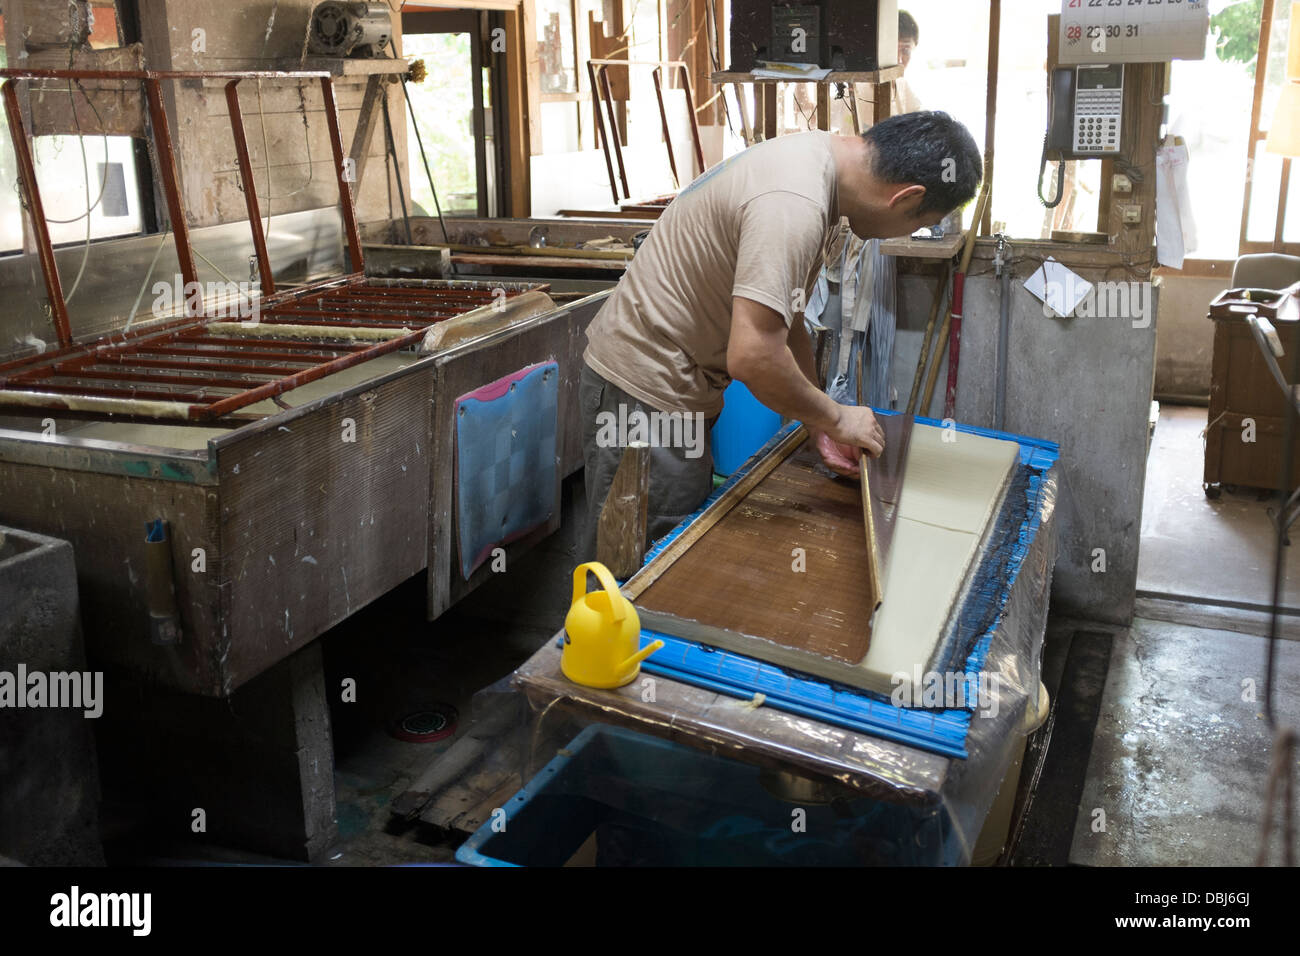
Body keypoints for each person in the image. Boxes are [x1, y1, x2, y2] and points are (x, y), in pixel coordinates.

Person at [580, 111, 982, 561]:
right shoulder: (796, 202)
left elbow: (784, 321)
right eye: (919, 223)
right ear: (907, 197)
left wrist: (816, 419)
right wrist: (836, 416)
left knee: (665, 548)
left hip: (674, 387)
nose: (910, 234)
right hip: (643, 393)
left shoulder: (823, 172)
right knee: (634, 565)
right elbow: (752, 356)